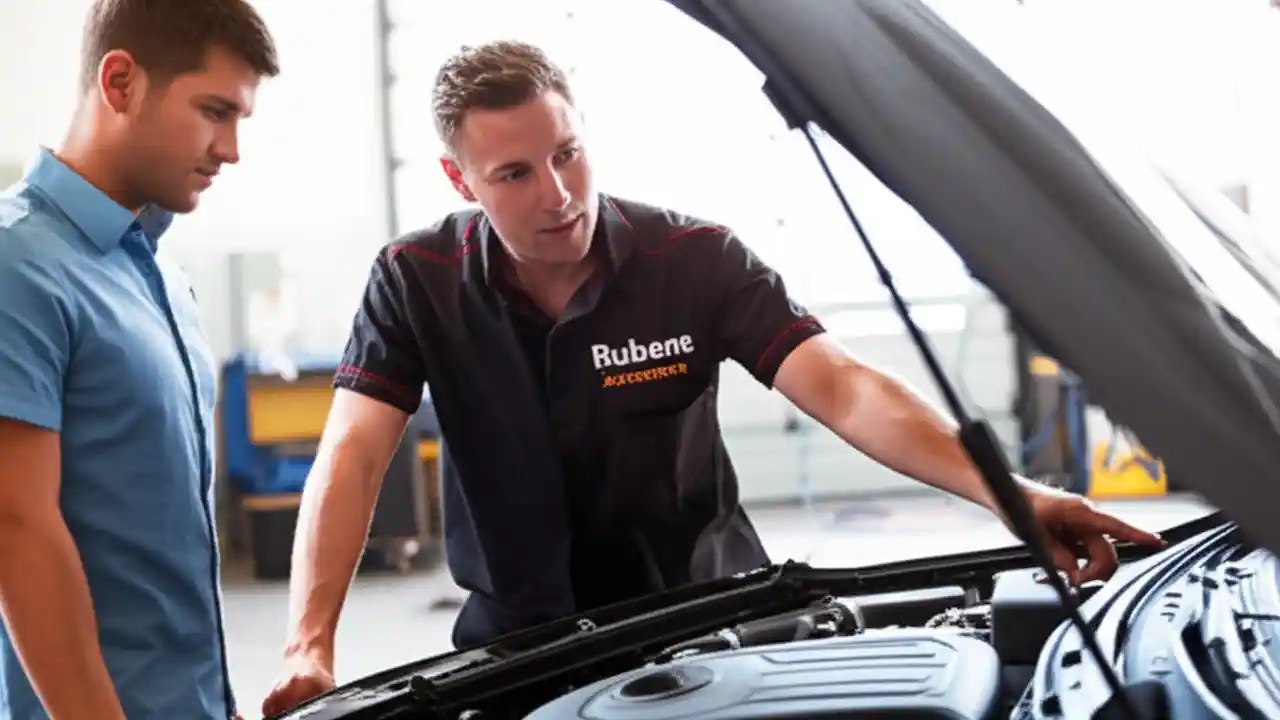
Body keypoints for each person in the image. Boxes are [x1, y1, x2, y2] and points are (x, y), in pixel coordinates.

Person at [262, 40, 1164, 715]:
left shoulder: (692, 260)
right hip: (518, 651)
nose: (559, 193)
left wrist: (1011, 495)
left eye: (569, 153)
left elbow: (843, 387)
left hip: (713, 627)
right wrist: (310, 644)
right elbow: (352, 453)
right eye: (516, 173)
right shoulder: (415, 281)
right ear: (461, 177)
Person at [0, 1, 278, 718]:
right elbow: (15, 525)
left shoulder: (162, 279)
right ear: (120, 82)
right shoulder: (15, 266)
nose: (232, 148)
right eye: (215, 110)